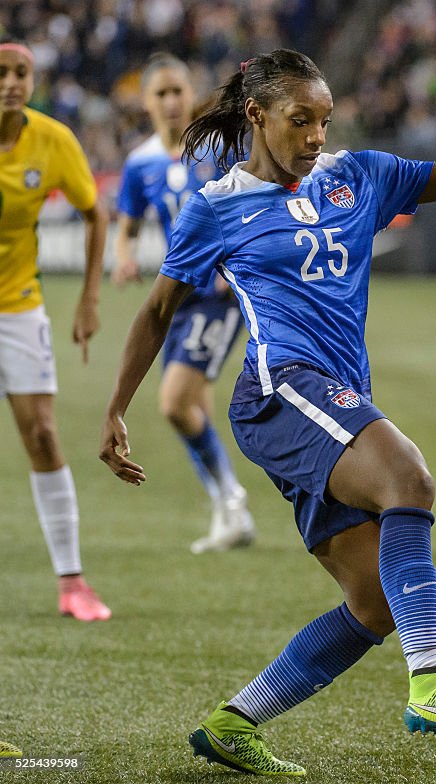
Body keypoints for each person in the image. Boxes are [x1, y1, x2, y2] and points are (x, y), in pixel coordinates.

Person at [99, 49, 436, 776]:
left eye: (325, 121)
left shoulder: (359, 175)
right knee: (409, 479)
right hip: (279, 392)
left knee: (374, 603)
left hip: (335, 401)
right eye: (299, 120)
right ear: (257, 115)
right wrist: (117, 408)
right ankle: (433, 683)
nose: (315, 136)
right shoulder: (215, 207)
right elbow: (156, 311)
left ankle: (234, 722)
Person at [114, 53, 254, 554]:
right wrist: (123, 257)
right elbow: (127, 227)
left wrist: (236, 259)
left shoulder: (218, 146)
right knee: (194, 407)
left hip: (218, 294)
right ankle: (228, 513)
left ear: (191, 94)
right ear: (146, 102)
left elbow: (251, 200)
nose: (172, 101)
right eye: (162, 93)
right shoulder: (140, 163)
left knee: (174, 403)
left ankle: (231, 498)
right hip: (176, 297)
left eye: (179, 91)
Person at [0, 39, 111, 622]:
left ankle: (72, 582)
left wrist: (89, 299)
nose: (11, 82)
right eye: (1, 72)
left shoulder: (53, 140)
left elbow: (96, 213)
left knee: (42, 434)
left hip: (18, 307)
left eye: (21, 72)